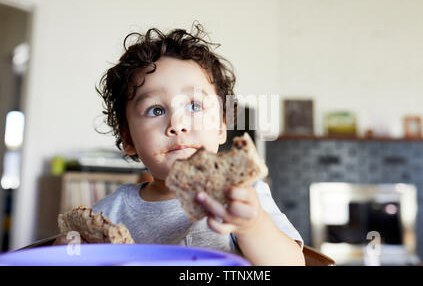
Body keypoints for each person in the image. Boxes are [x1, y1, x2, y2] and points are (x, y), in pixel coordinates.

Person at [57, 23, 305, 266]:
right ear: (129, 139)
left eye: (195, 106)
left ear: (221, 126)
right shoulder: (108, 213)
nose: (178, 124)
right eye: (155, 109)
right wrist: (68, 252)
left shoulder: (242, 195)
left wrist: (252, 226)